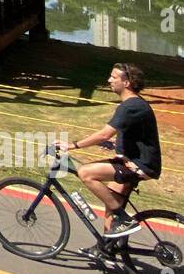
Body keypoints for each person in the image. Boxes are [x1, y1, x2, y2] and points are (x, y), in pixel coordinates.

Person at [59, 62, 161, 240]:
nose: (109, 80)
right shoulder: (134, 105)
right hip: (131, 161)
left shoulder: (130, 106)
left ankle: (123, 218)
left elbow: (104, 134)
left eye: (114, 77)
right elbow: (134, 135)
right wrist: (113, 144)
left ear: (127, 83)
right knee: (110, 201)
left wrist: (72, 145)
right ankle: (106, 249)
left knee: (85, 173)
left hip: (138, 166)